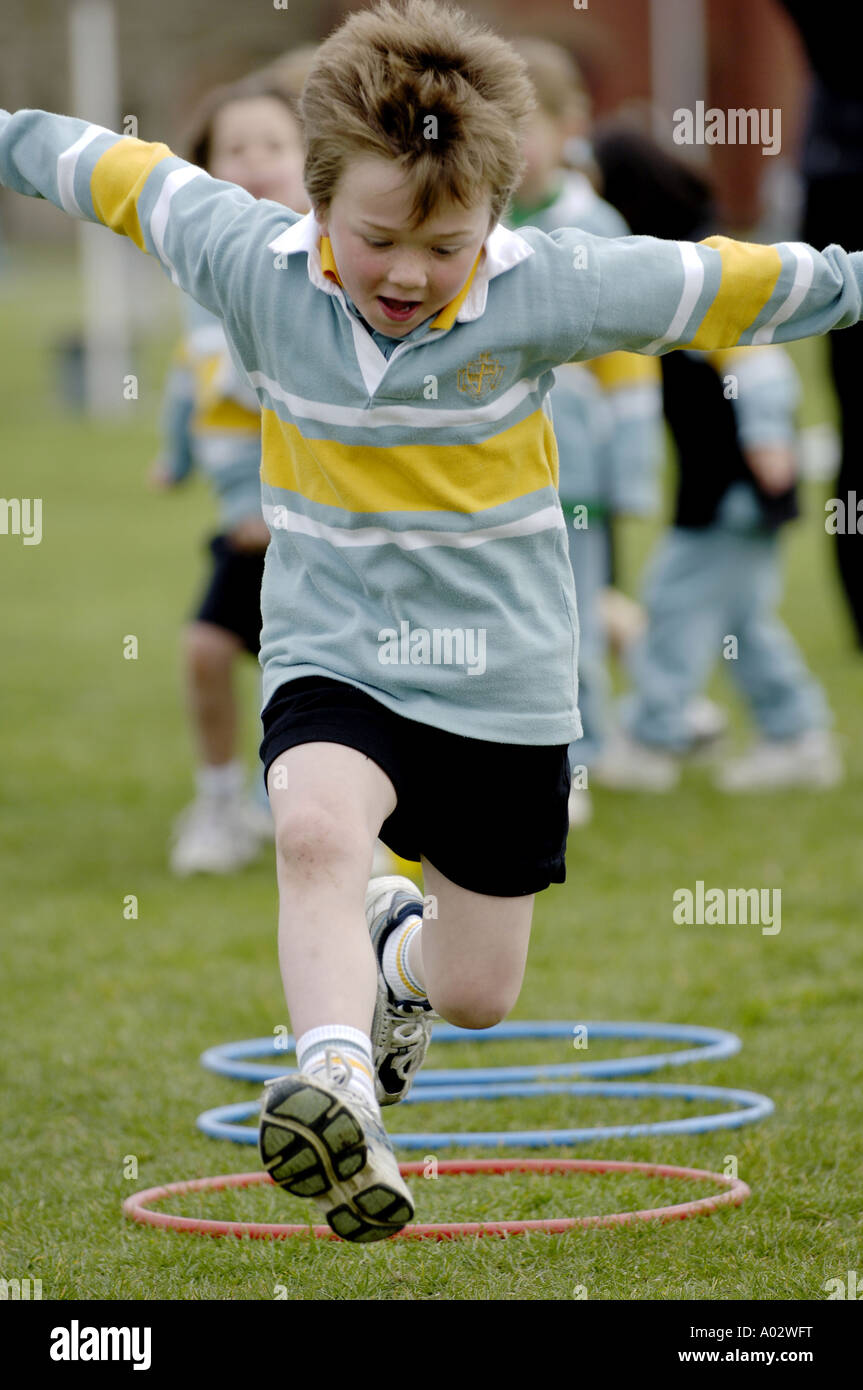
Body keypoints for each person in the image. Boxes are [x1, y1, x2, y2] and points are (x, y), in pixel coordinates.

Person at [3, 0, 862, 1241]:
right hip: (333, 649)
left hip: (504, 680)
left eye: (444, 246)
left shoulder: (547, 287)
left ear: (495, 221)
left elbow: (733, 284)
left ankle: (398, 963)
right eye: (378, 238)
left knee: (475, 993)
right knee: (310, 828)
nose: (407, 273)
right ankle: (338, 1083)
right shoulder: (246, 259)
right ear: (310, 200)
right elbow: (102, 168)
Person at [591, 128, 841, 793]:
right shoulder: (675, 263)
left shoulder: (690, 276)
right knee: (740, 619)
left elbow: (758, 362)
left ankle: (651, 737)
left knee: (674, 603)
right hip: (727, 486)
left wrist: (765, 440)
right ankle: (796, 733)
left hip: (734, 483)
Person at [151, 77, 309, 874]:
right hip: (242, 531)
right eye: (232, 149)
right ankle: (218, 805)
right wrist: (173, 455)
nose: (253, 162)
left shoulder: (325, 264)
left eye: (272, 146)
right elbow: (192, 378)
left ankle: (307, 811)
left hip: (317, 530)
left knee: (312, 680)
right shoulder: (199, 280)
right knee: (207, 653)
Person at [506, 39, 664, 824]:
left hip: (577, 476)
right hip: (497, 474)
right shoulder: (475, 223)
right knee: (513, 621)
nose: (513, 143)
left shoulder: (594, 225)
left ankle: (585, 756)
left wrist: (631, 472)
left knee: (571, 617)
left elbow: (630, 366)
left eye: (527, 123)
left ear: (573, 126)